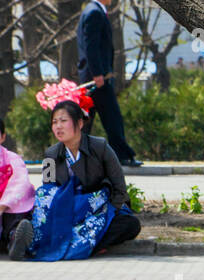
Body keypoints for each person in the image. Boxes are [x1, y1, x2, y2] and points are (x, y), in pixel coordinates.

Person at [17, 100, 140, 260]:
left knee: (130, 224)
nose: (58, 126)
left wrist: (107, 212)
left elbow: (119, 186)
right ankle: (19, 241)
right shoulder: (50, 154)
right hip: (65, 210)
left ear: (80, 123)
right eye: (54, 122)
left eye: (63, 121)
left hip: (98, 209)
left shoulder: (100, 147)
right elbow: (47, 192)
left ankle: (82, 245)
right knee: (38, 214)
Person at [77, 0, 140, 166]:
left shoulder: (92, 10)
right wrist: (98, 73)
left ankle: (75, 154)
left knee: (86, 121)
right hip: (97, 78)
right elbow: (91, 46)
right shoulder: (94, 12)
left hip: (94, 76)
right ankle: (121, 155)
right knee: (112, 117)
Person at [0, 118, 36, 259]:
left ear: (3, 137)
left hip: (9, 207)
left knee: (15, 217)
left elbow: (20, 182)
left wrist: (3, 206)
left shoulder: (12, 158)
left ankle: (15, 240)